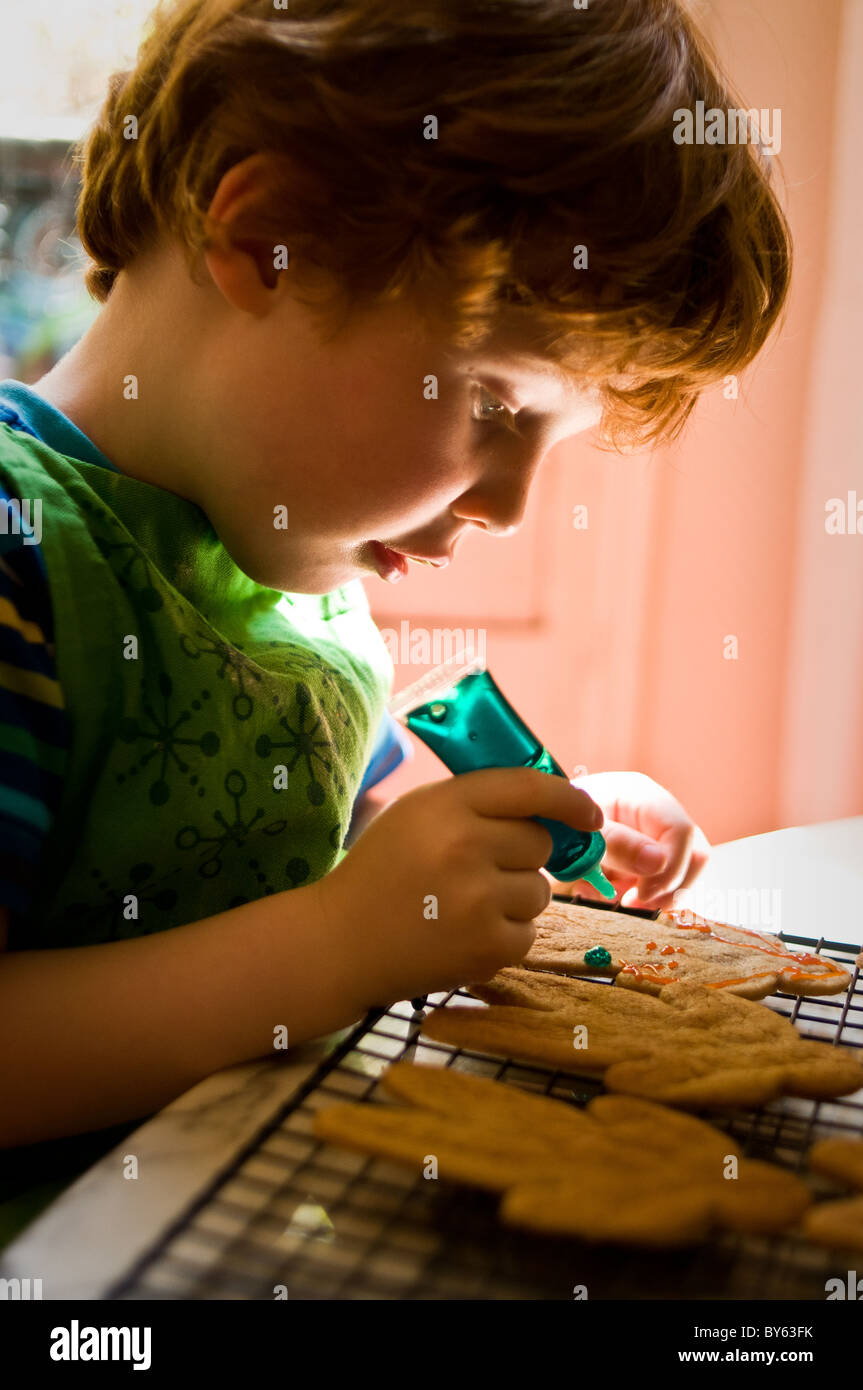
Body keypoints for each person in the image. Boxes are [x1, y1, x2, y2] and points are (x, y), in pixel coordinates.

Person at [0, 0, 789, 1207]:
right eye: (492, 404)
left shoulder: (297, 582)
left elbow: (306, 866)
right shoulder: (21, 557)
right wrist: (329, 950)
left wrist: (510, 844)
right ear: (271, 240)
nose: (513, 506)